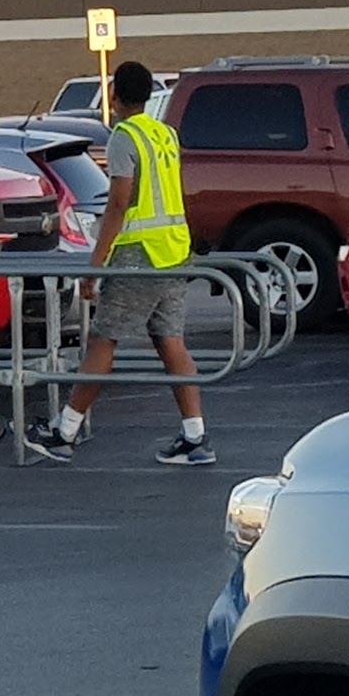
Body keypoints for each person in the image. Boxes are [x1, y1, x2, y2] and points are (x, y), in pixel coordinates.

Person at [26, 59, 213, 466]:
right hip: (174, 252)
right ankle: (195, 438)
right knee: (170, 341)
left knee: (103, 340)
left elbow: (118, 203)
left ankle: (65, 432)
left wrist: (97, 264)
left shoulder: (124, 137)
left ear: (115, 94)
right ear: (147, 95)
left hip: (139, 255)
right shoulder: (165, 135)